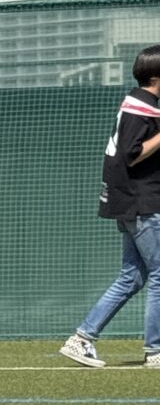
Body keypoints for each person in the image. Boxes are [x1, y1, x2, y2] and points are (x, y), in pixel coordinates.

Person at [60, 44, 160, 368]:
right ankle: (156, 350)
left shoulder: (142, 104)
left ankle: (82, 338)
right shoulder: (140, 107)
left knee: (132, 278)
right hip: (142, 204)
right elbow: (131, 153)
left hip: (135, 203)